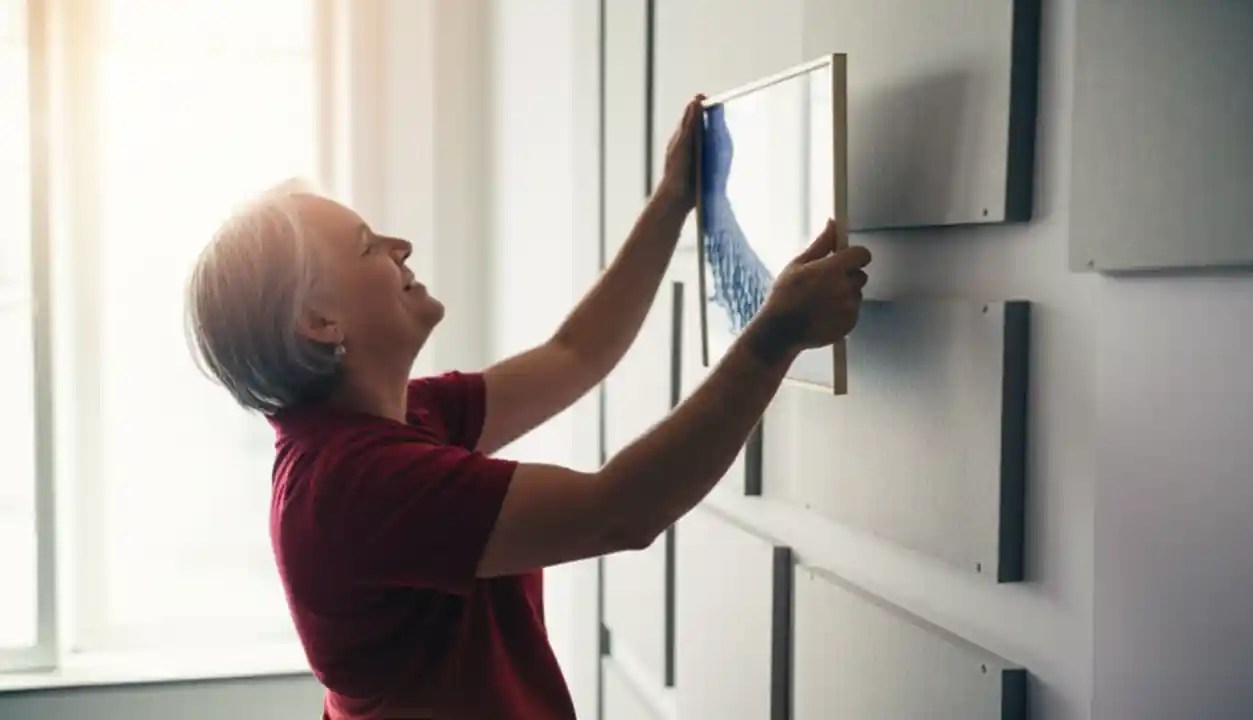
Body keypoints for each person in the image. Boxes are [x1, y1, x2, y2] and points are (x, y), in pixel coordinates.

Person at [185, 96, 871, 720]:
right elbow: (620, 512)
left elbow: (575, 354)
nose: (401, 247)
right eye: (367, 246)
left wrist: (671, 201)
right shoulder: (355, 484)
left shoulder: (395, 426)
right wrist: (774, 337)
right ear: (320, 322)